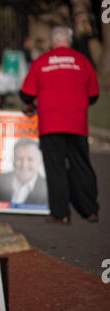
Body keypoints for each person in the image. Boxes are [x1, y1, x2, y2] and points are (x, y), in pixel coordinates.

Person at [19, 25, 99, 224]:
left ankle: (61, 213)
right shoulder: (82, 61)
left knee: (55, 168)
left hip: (51, 122)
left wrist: (31, 104)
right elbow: (94, 94)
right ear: (69, 41)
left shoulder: (41, 61)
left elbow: (26, 93)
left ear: (53, 42)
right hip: (77, 122)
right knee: (82, 165)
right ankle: (90, 210)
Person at [0, 138, 48, 206]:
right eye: (19, 158)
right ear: (13, 160)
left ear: (40, 161)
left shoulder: (48, 187)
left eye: (30, 159)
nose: (24, 165)